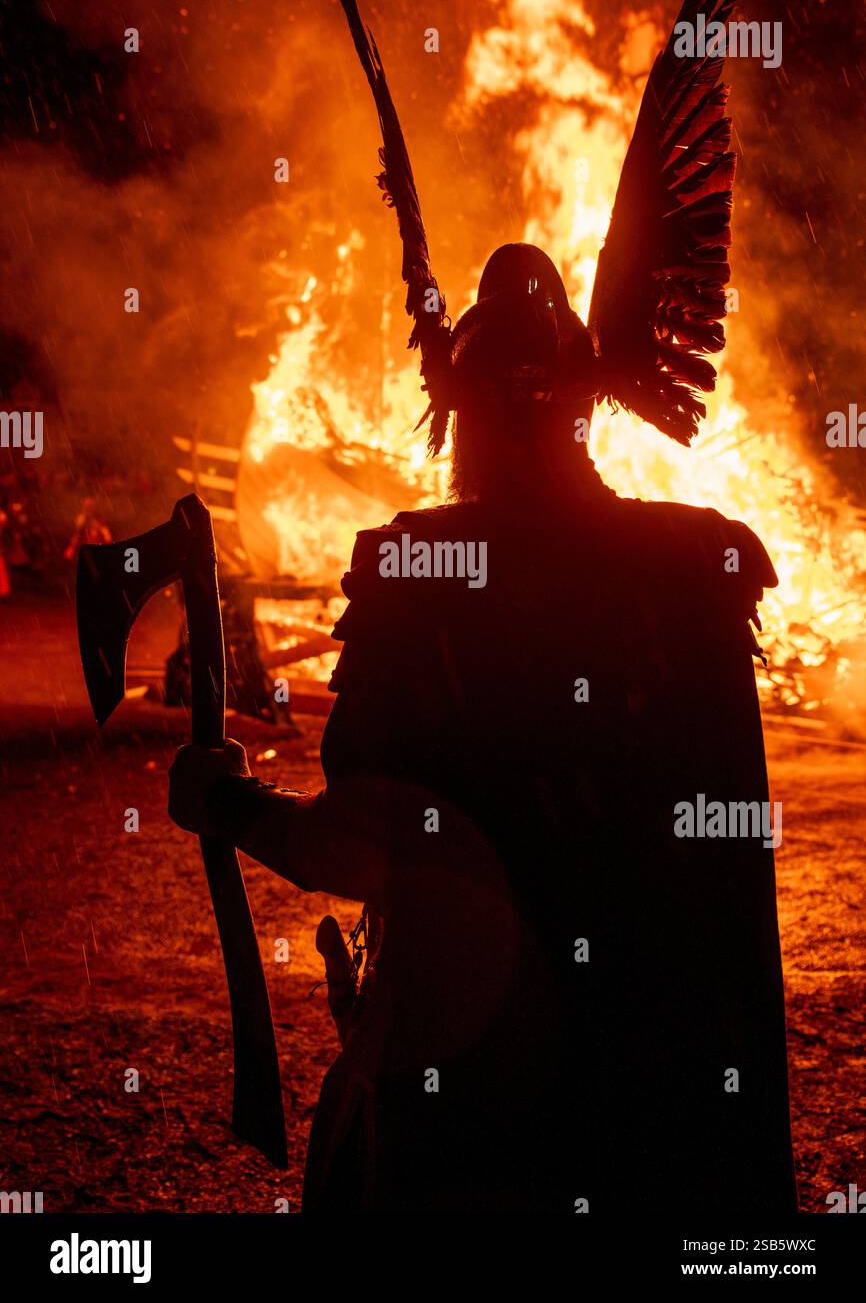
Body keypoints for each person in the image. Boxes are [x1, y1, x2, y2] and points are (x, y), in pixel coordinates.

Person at [170, 244, 796, 1214]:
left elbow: (367, 840)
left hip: (473, 1111)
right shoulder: (695, 569)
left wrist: (225, 802)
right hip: (658, 1106)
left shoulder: (418, 574)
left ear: (456, 411)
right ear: (589, 404)